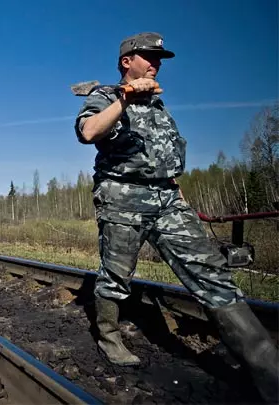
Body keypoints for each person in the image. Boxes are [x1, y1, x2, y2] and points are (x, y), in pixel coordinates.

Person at [74, 33, 277, 402]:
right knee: (116, 275)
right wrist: (125, 99)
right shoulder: (105, 96)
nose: (156, 63)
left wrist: (175, 188)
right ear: (127, 62)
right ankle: (109, 336)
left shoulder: (159, 106)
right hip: (123, 199)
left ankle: (268, 372)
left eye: (160, 58)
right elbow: (89, 132)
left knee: (212, 273)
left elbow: (163, 156)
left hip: (168, 200)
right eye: (148, 56)